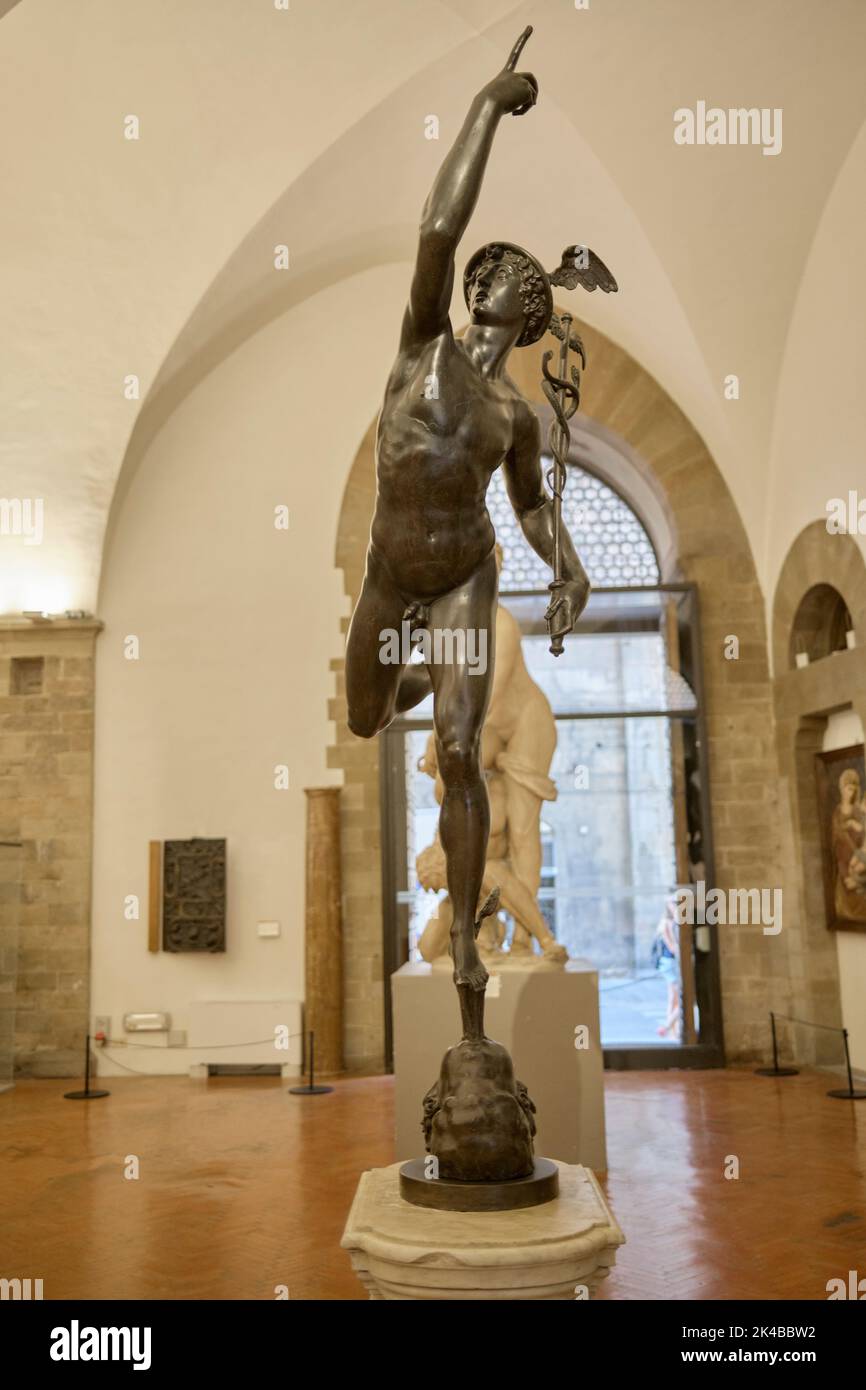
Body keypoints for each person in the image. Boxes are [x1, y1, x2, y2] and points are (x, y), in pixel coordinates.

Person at [345, 33, 590, 997]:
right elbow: (434, 229)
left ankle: (469, 958)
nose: (495, 286)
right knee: (368, 717)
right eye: (495, 275)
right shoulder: (422, 347)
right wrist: (487, 105)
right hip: (390, 571)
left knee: (458, 752)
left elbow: (529, 506)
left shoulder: (512, 414)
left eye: (520, 287)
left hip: (461, 577)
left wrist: (567, 566)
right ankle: (407, 676)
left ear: (526, 316)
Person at [653, 896, 681, 1040]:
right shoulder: (667, 923)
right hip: (670, 962)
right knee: (679, 996)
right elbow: (673, 947)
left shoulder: (671, 922)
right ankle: (668, 1026)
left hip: (671, 962)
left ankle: (672, 1030)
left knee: (674, 998)